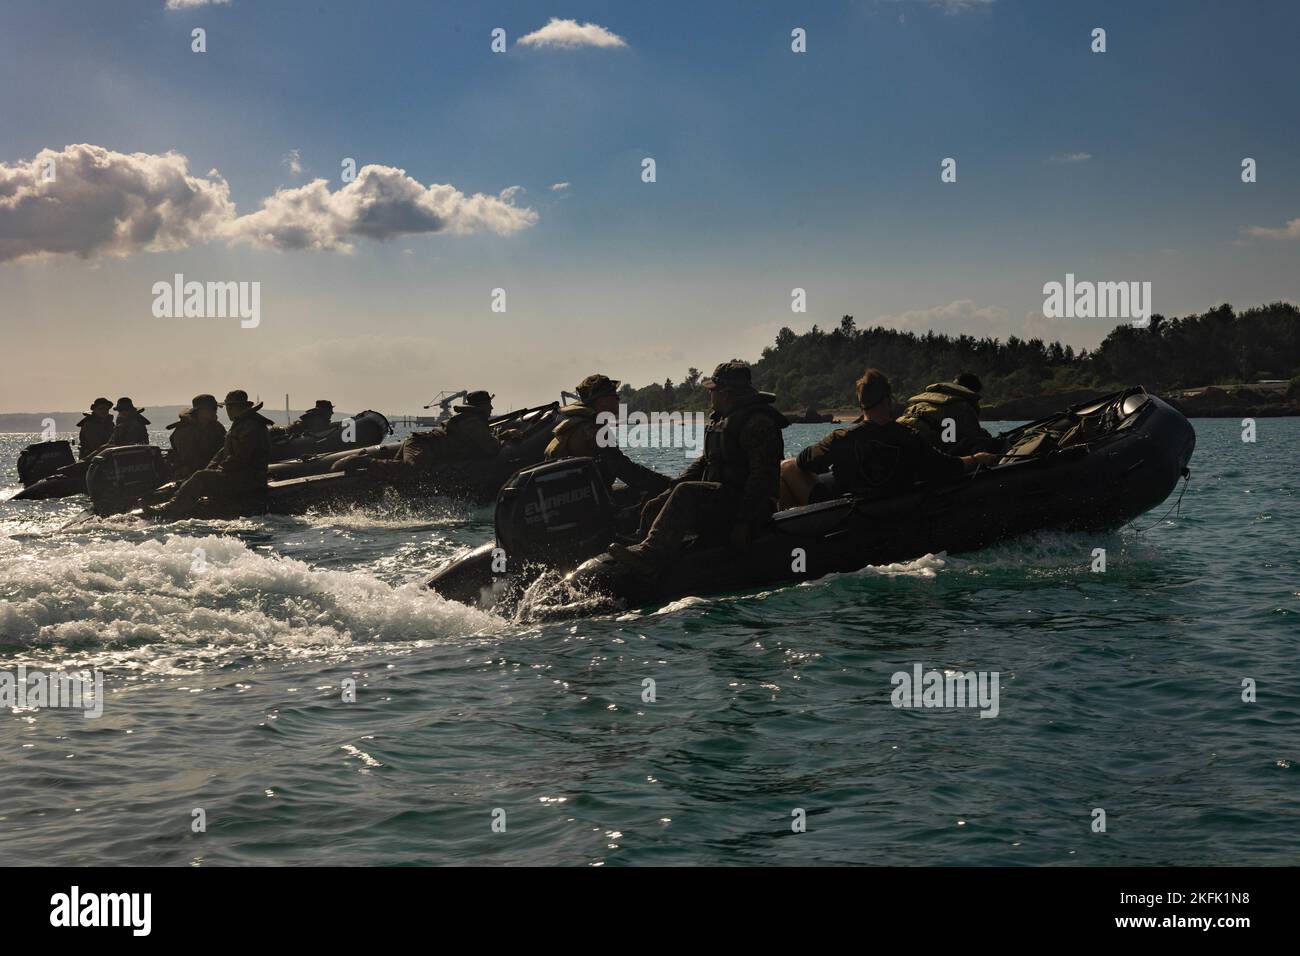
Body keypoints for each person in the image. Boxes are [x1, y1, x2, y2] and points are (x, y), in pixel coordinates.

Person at [609, 361, 787, 574]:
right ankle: (639, 558)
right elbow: (705, 462)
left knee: (686, 493)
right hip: (723, 501)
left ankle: (651, 558)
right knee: (660, 503)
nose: (710, 397)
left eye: (713, 391)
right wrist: (670, 488)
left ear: (727, 393)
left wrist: (744, 521)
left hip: (745, 507)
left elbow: (762, 478)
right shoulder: (724, 420)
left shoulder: (757, 422)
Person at [779, 369, 999, 509]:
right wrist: (977, 458)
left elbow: (804, 462)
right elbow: (948, 467)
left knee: (786, 467)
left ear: (860, 403)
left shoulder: (842, 438)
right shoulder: (909, 437)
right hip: (890, 505)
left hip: (840, 511)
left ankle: (789, 534)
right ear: (888, 401)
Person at [145, 390, 273, 518]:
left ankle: (170, 510)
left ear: (234, 407)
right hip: (239, 475)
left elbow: (241, 457)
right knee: (196, 477)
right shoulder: (242, 424)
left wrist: (219, 471)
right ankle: (171, 504)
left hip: (246, 478)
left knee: (201, 477)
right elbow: (222, 452)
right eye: (212, 408)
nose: (220, 411)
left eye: (227, 407)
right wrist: (212, 469)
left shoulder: (249, 426)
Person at [336, 390, 511, 483]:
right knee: (411, 471)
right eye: (490, 405)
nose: (492, 409)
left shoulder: (471, 420)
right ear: (482, 406)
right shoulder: (472, 422)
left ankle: (367, 467)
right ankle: (362, 461)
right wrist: (506, 436)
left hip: (423, 444)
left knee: (399, 478)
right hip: (423, 446)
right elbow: (491, 447)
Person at [544, 374, 669, 497]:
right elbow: (626, 470)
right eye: (614, 395)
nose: (618, 399)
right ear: (601, 400)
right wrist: (669, 484)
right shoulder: (594, 430)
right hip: (591, 505)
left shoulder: (576, 424)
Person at [896, 372, 1000, 455]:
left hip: (900, 441)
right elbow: (975, 437)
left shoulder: (926, 400)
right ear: (972, 392)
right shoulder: (962, 406)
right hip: (927, 453)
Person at [165, 394, 228, 481]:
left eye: (215, 408)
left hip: (212, 469)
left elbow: (225, 447)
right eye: (212, 408)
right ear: (200, 411)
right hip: (188, 473)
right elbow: (190, 459)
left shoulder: (216, 427)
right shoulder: (185, 431)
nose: (215, 411)